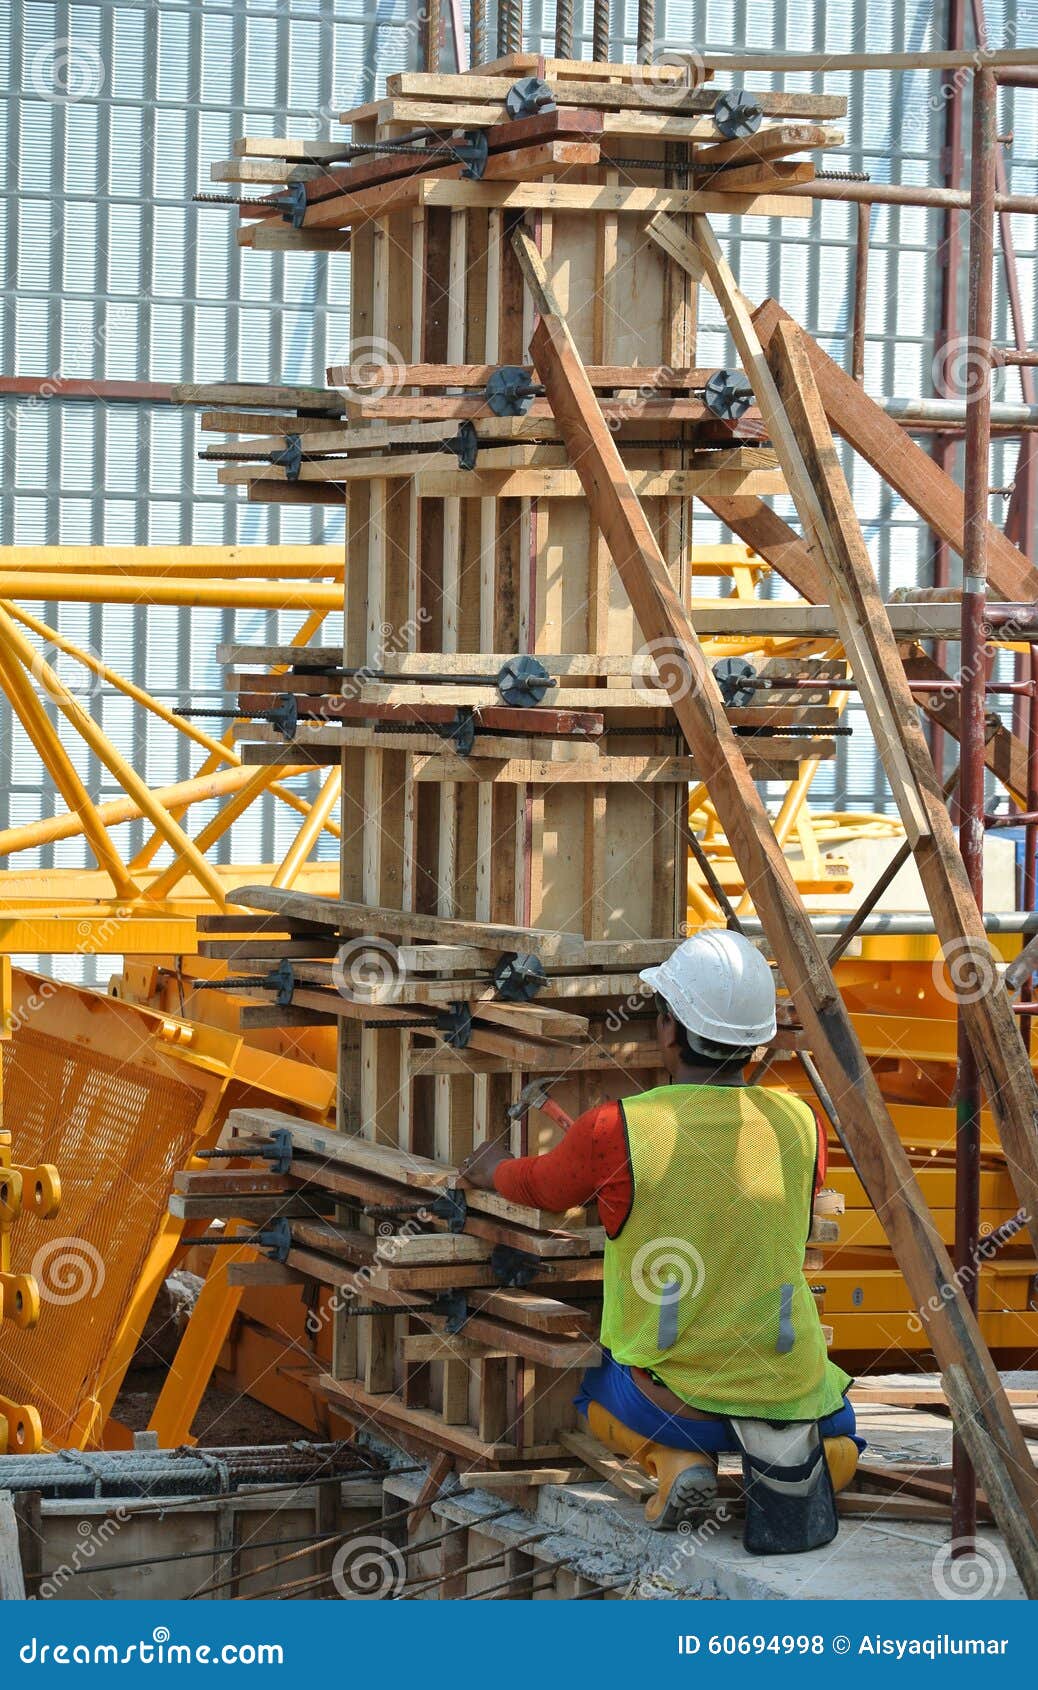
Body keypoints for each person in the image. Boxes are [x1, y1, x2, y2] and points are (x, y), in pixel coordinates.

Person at [459, 929, 862, 1549]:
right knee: (842, 1429)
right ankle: (826, 1463)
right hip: (792, 1390)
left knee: (592, 1397)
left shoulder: (615, 1128)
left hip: (672, 1403)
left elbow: (543, 1186)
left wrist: (489, 1170)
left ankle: (677, 1465)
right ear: (758, 1040)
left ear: (668, 1031)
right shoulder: (802, 1121)